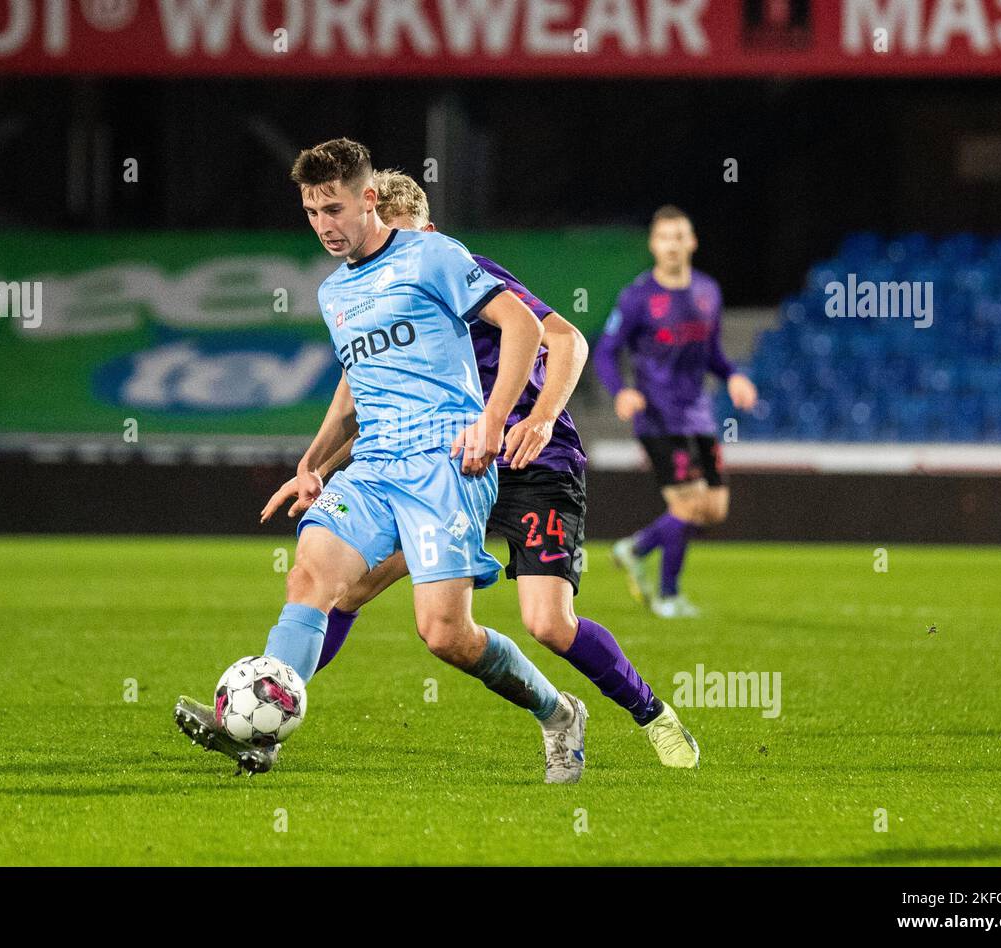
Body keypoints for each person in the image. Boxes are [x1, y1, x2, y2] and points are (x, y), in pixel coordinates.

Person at [175, 139, 587, 782]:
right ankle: (259, 734)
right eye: (311, 212)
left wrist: (492, 421)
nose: (323, 226)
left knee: (446, 635)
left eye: (333, 209)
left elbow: (527, 329)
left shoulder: (433, 256)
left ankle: (557, 712)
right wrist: (311, 463)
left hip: (444, 465)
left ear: (369, 198)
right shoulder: (335, 294)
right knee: (309, 580)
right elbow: (354, 391)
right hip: (372, 467)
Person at [262, 171, 699, 769]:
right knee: (343, 588)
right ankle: (266, 716)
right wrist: (316, 464)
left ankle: (650, 713)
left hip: (529, 458)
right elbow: (367, 407)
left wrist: (541, 418)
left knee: (547, 622)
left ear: (428, 234)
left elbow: (565, 340)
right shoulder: (371, 296)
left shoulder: (463, 270)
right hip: (443, 467)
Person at [595, 206, 758, 618]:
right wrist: (621, 391)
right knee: (687, 507)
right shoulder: (638, 297)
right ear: (654, 244)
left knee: (714, 509)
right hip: (658, 416)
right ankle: (668, 595)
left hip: (698, 413)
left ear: (692, 242)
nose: (672, 245)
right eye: (664, 237)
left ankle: (635, 548)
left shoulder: (708, 291)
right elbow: (606, 352)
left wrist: (733, 376)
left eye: (679, 236)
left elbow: (714, 354)